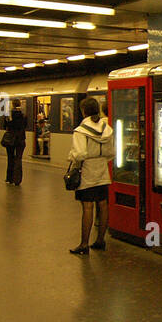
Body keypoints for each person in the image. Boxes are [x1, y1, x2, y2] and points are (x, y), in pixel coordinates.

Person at [68, 97, 114, 253]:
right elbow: (111, 153)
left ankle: (84, 244)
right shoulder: (107, 129)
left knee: (87, 207)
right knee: (103, 205)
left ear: (83, 112)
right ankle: (100, 240)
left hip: (87, 171)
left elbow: (79, 154)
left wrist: (71, 156)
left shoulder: (80, 131)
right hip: (102, 169)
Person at [3, 99, 27, 186]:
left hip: (10, 139)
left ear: (12, 105)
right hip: (20, 139)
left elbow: (4, 126)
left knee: (10, 158)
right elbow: (25, 126)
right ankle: (17, 180)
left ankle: (9, 178)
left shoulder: (8, 114)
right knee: (18, 158)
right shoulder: (23, 114)